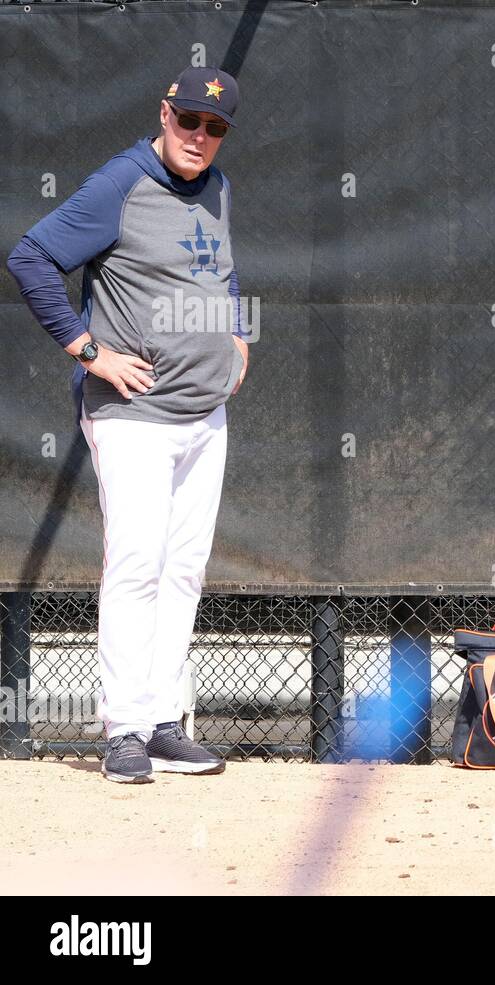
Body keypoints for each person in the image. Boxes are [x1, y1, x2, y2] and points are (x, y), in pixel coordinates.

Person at [6, 67, 249, 783]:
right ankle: (123, 732)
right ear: (164, 113)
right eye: (189, 120)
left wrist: (236, 338)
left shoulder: (219, 188)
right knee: (138, 563)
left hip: (205, 413)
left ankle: (164, 721)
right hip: (132, 414)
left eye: (216, 127)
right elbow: (32, 257)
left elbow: (222, 274)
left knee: (183, 569)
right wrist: (88, 351)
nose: (199, 136)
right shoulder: (124, 181)